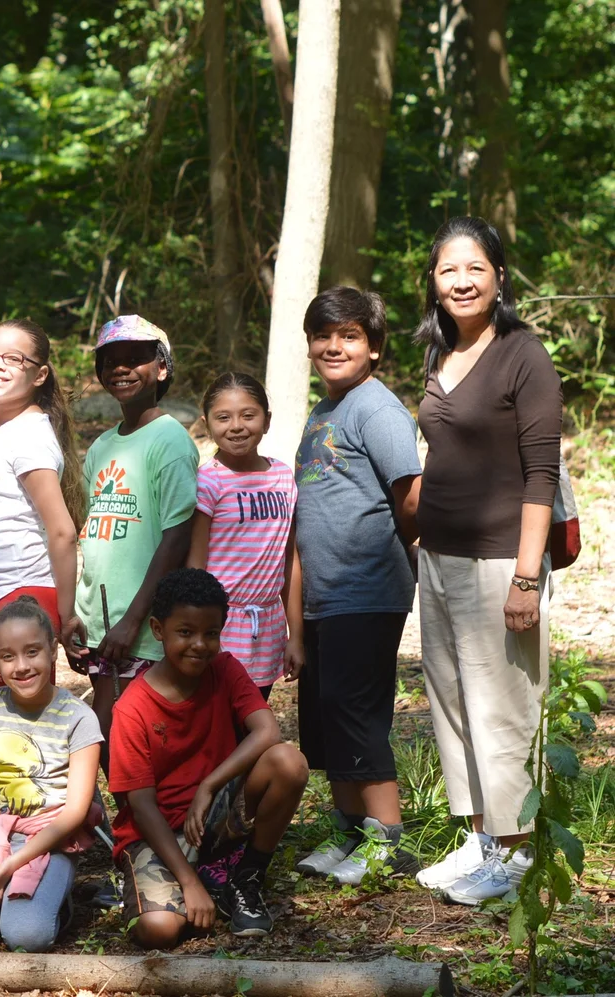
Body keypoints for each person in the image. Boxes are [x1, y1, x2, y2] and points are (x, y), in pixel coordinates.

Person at [411, 217, 562, 905]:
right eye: (449, 270)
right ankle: (481, 839)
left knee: (502, 706)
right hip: (439, 559)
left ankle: (520, 849)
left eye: (476, 267)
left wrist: (528, 576)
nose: (463, 280)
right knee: (453, 703)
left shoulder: (522, 353)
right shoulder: (440, 352)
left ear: (499, 274)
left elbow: (541, 473)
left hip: (502, 561)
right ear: (435, 282)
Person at [291, 287, 422, 887]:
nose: (334, 346)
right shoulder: (324, 412)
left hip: (368, 591)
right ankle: (349, 832)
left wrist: (413, 556)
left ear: (373, 348)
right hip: (324, 596)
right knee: (327, 715)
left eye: (349, 336)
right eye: (324, 336)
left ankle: (387, 841)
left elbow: (411, 498)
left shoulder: (377, 409)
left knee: (359, 713)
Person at [108, 568, 309, 948]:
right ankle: (197, 879)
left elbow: (268, 732)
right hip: (158, 834)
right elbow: (142, 807)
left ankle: (245, 878)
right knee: (160, 930)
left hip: (213, 817)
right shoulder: (132, 707)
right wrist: (188, 882)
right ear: (158, 629)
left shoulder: (226, 669)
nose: (199, 645)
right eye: (185, 632)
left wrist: (209, 784)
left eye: (210, 633)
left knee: (288, 762)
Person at [0, 597, 102, 953]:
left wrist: (18, 861)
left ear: (52, 650)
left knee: (27, 937)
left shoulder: (78, 717)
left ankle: (52, 903)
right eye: (8, 656)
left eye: (32, 652)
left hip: (49, 840)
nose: (22, 666)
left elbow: (74, 811)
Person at [70, 316, 199, 763]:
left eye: (134, 360)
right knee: (109, 740)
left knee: (119, 742)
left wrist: (132, 620)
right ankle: (132, 830)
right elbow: (95, 535)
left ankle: (152, 830)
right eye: (111, 362)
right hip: (99, 620)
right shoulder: (103, 446)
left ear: (161, 369)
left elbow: (176, 534)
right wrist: (77, 614)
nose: (121, 370)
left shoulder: (170, 442)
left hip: (139, 625)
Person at [0, 319, 86, 689]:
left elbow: (63, 531)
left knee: (20, 718)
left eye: (14, 358)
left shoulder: (29, 437)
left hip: (21, 598)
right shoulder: (8, 429)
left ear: (39, 374)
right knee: (3, 715)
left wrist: (64, 614)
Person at [186, 373, 303, 698]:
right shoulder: (209, 482)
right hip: (220, 624)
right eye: (223, 417)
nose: (236, 426)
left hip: (267, 625)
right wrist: (199, 630)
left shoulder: (283, 477)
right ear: (206, 424)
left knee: (253, 715)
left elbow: (289, 560)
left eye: (248, 415)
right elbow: (196, 565)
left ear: (267, 421)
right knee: (218, 722)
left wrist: (296, 636)